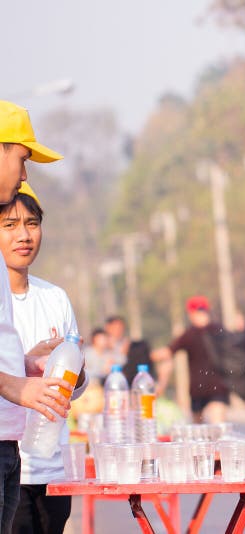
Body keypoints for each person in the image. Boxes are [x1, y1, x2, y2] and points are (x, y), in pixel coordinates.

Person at [0, 100, 73, 531]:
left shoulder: (55, 296)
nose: (25, 174)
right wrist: (13, 382)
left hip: (9, 445)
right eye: (22, 159)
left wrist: (24, 368)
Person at [0, 183, 88, 533]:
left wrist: (73, 370)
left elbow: (77, 386)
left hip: (52, 466)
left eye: (32, 223)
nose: (24, 235)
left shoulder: (55, 297)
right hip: (10, 460)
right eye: (10, 224)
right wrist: (25, 362)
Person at [152, 296, 229, 423]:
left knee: (197, 433)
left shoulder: (189, 334)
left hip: (197, 389)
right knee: (219, 429)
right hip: (219, 387)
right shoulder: (219, 329)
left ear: (191, 313)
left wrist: (142, 353)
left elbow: (167, 352)